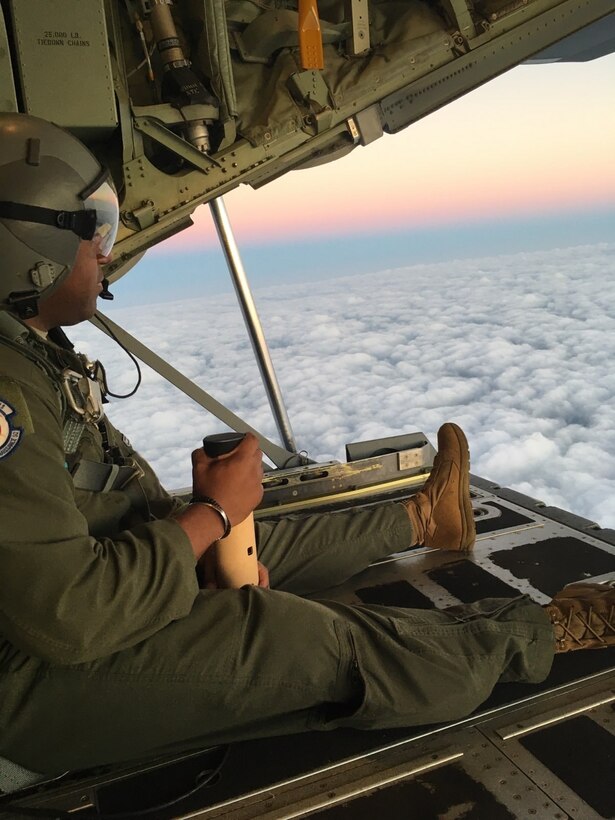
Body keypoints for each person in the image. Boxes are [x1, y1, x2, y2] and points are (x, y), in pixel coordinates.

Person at [0, 113, 613, 779]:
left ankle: (423, 517)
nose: (106, 251)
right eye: (96, 229)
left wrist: (213, 523)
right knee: (297, 637)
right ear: (29, 240)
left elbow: (104, 504)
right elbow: (70, 620)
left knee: (259, 539)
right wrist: (211, 517)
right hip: (33, 680)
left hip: (81, 594)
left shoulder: (30, 351)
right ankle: (543, 631)